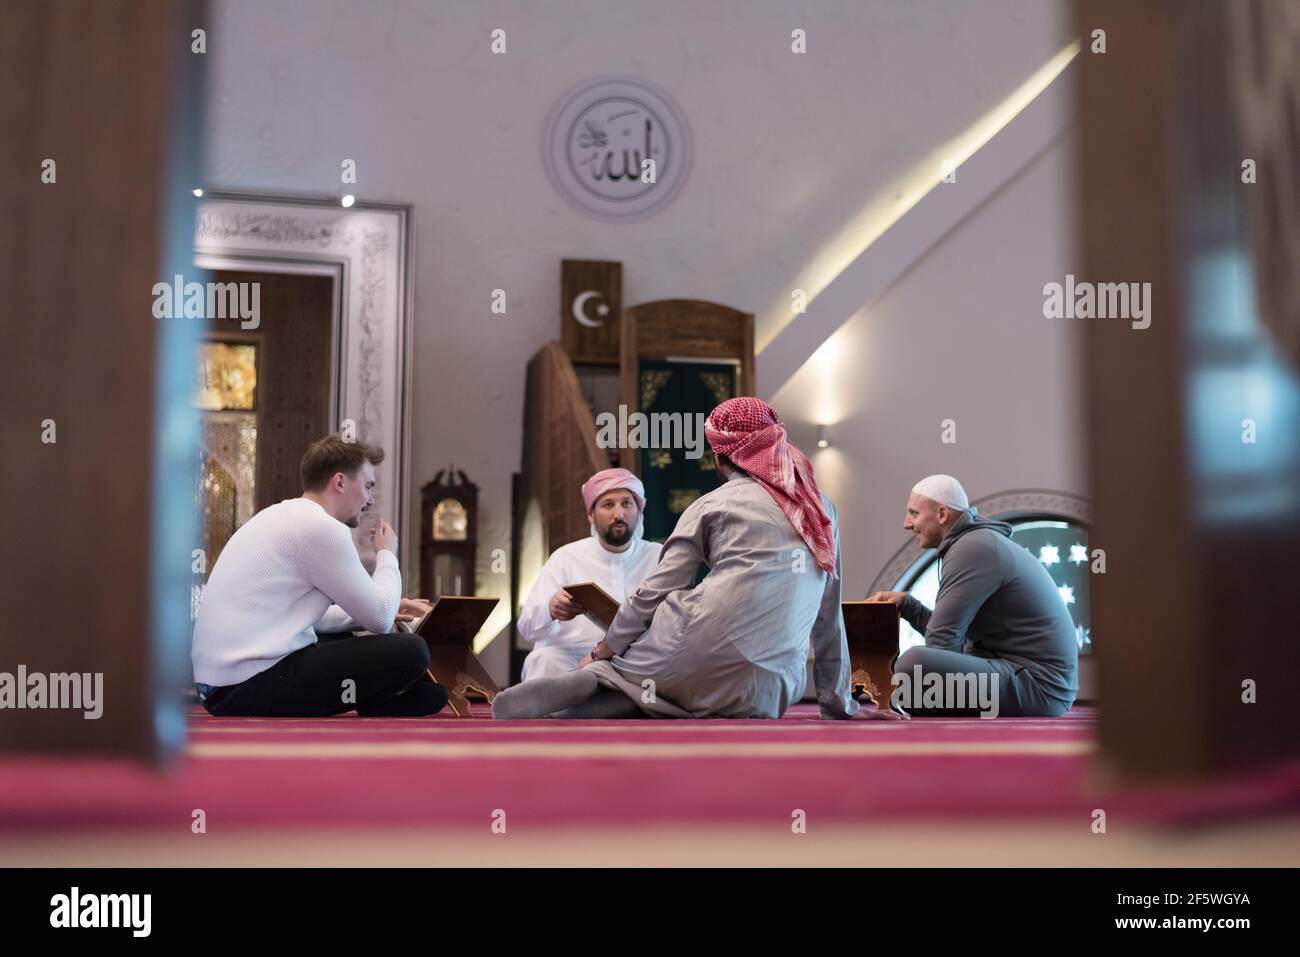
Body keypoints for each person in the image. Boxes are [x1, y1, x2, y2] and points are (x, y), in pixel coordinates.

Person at [494, 397, 898, 721]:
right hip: (772, 689)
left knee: (634, 664)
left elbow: (655, 592)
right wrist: (839, 702)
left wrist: (603, 653)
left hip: (684, 657)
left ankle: (603, 681)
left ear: (720, 459)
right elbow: (828, 615)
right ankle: (633, 700)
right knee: (683, 693)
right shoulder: (822, 509)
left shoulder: (712, 505)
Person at [191, 434, 448, 717]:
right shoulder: (320, 527)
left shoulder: (282, 515)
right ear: (339, 482)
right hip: (250, 684)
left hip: (218, 688)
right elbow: (380, 618)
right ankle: (377, 698)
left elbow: (309, 617)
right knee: (413, 650)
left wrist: (385, 605)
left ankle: (377, 699)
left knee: (343, 637)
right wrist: (387, 553)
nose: (370, 500)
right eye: (368, 486)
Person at [867, 474, 1078, 716]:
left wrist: (910, 682)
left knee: (912, 666)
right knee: (913, 673)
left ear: (942, 515)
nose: (907, 523)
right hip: (1030, 682)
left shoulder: (972, 548)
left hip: (1040, 688)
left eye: (914, 513)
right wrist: (908, 606)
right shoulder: (976, 542)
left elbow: (942, 643)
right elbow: (952, 637)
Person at [516, 468, 662, 679]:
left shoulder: (657, 557)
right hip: (574, 656)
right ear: (591, 514)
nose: (618, 514)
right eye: (608, 505)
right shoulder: (566, 558)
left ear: (639, 511)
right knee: (543, 660)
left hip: (635, 657)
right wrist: (550, 609)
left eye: (627, 504)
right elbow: (527, 628)